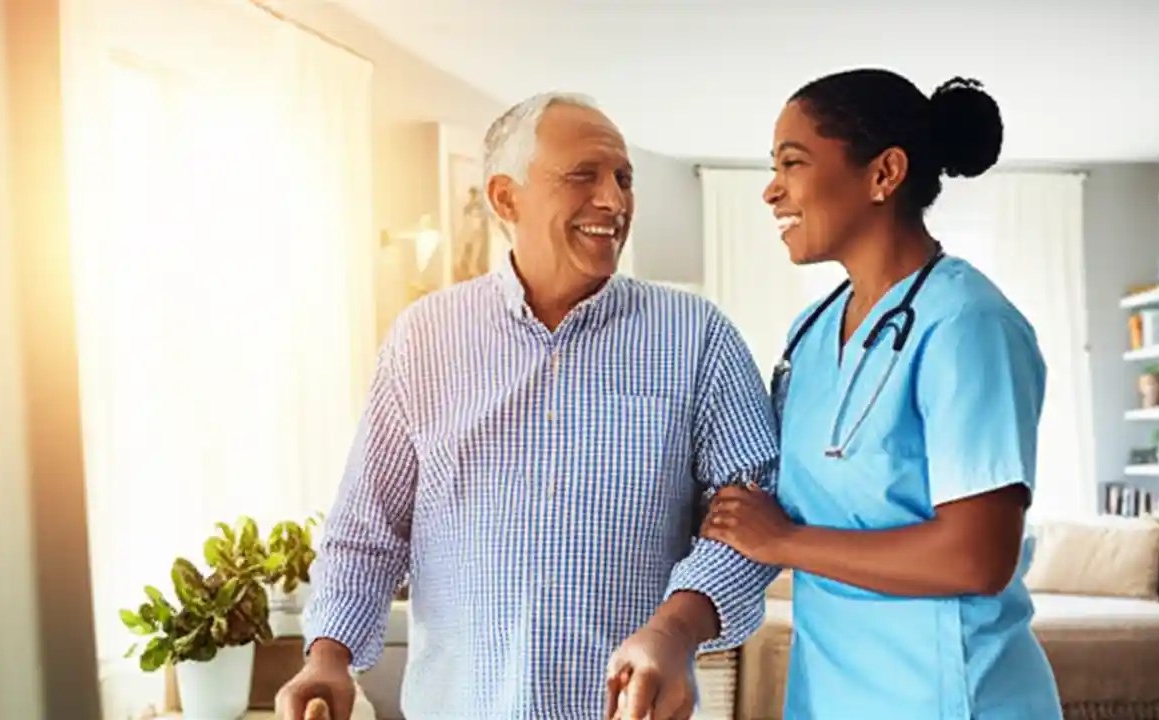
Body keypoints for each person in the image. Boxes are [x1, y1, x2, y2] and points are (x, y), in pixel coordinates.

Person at [275, 91, 783, 720]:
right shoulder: (424, 338)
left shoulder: (696, 336)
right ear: (505, 198)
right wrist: (327, 657)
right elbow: (365, 531)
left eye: (624, 179)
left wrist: (676, 630)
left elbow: (756, 515)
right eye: (584, 176)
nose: (614, 200)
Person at [702, 69, 1065, 719]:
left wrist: (783, 542)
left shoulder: (967, 322)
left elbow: (977, 556)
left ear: (884, 173)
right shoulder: (812, 333)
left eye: (793, 161)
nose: (771, 189)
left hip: (949, 695)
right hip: (832, 694)